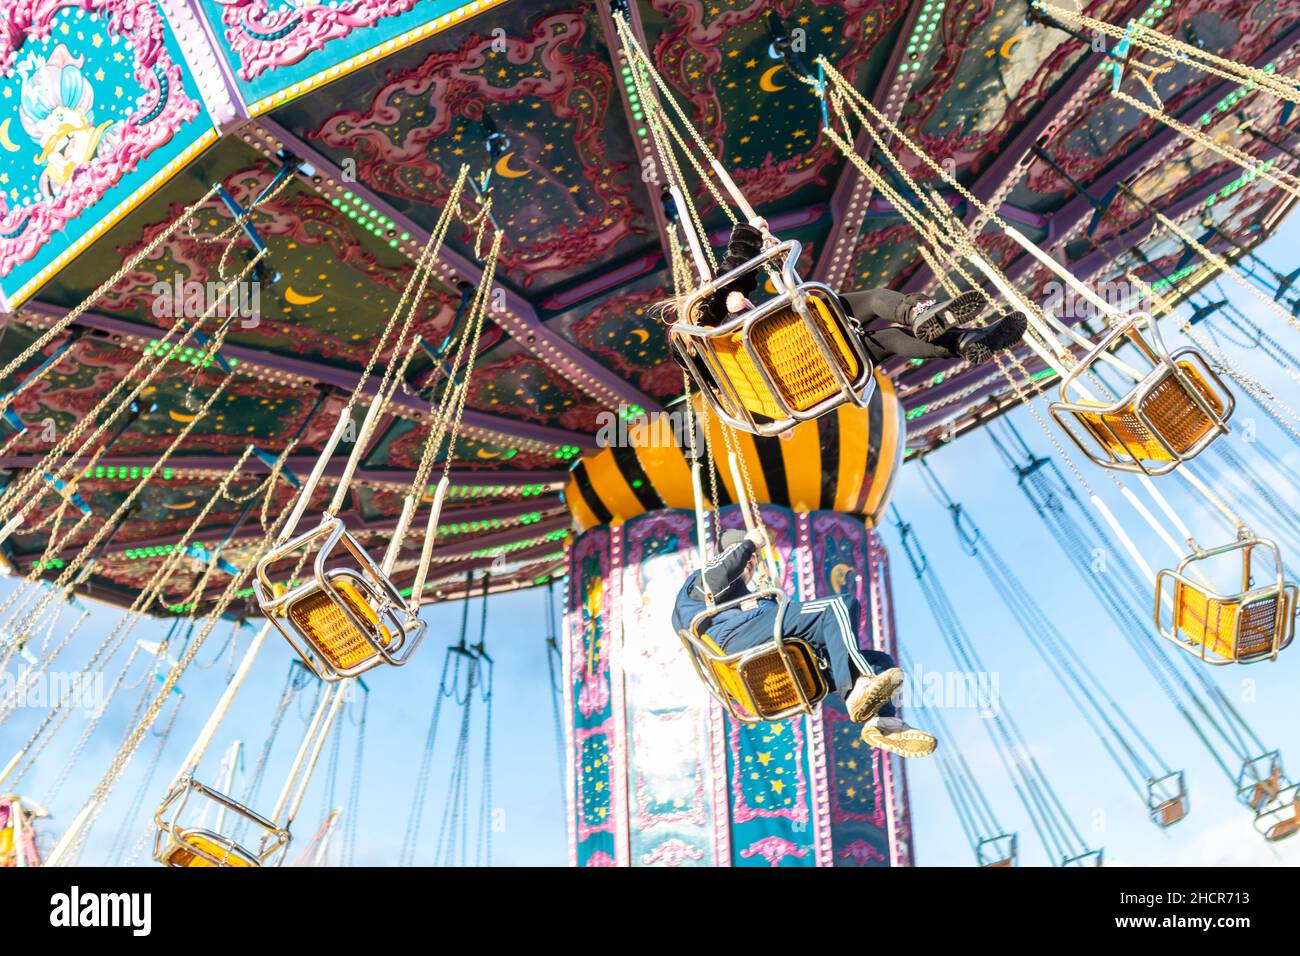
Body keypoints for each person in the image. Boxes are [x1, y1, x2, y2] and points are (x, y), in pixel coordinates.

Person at [672, 527, 936, 757]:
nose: (751, 562)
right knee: (838, 605)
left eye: (753, 559)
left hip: (773, 664)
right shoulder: (699, 586)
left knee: (879, 661)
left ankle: (883, 722)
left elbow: (800, 627)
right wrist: (750, 543)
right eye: (747, 558)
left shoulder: (744, 602)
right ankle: (856, 689)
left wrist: (768, 599)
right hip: (738, 647)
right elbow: (716, 575)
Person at [696, 221, 1027, 366]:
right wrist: (751, 234)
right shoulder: (709, 322)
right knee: (872, 300)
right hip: (810, 341)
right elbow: (734, 275)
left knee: (893, 341)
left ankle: (965, 343)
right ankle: (920, 313)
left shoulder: (716, 371)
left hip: (822, 380)